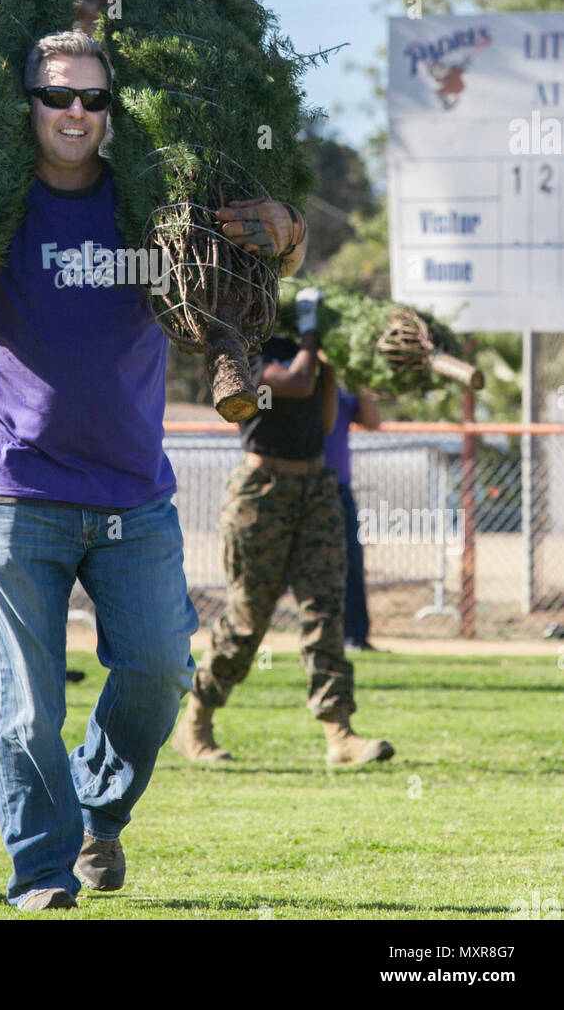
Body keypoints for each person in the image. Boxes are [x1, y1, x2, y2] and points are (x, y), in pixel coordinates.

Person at [0, 30, 307, 910]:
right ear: (28, 105)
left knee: (161, 668)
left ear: (113, 112)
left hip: (133, 488)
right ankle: (41, 873)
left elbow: (258, 258)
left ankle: (97, 808)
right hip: (12, 486)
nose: (76, 112)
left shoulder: (155, 206)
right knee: (22, 704)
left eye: (93, 98)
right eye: (57, 96)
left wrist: (288, 235)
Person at [173, 288, 395, 770]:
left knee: (325, 610)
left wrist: (332, 362)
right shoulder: (245, 349)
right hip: (262, 491)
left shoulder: (307, 352)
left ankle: (340, 733)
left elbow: (328, 416)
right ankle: (196, 720)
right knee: (248, 618)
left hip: (316, 487)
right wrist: (314, 338)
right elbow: (291, 385)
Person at [323, 384, 383, 652]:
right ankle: (252, 637)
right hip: (302, 484)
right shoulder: (296, 376)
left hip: (339, 488)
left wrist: (361, 379)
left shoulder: (341, 387)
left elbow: (372, 421)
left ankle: (355, 637)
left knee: (351, 563)